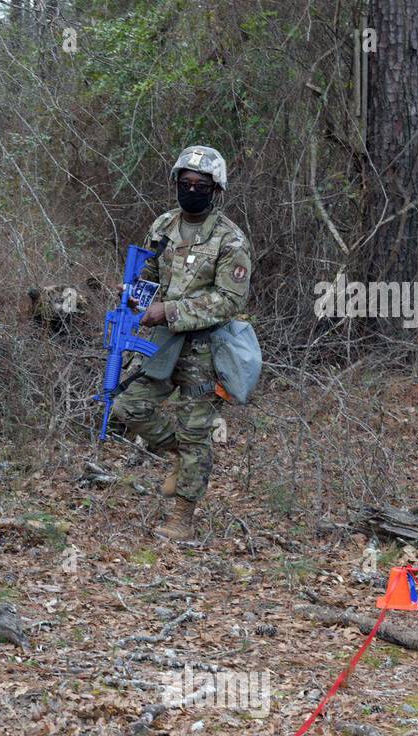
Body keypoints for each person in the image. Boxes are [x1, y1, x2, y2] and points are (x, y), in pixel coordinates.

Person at [111, 145, 252, 540]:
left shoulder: (230, 240)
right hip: (161, 342)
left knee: (195, 432)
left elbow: (230, 299)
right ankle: (176, 454)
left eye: (200, 185)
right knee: (128, 405)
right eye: (185, 183)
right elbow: (149, 273)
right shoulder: (163, 226)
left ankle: (182, 519)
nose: (192, 190)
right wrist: (136, 294)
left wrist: (170, 310)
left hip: (205, 350)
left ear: (215, 190)